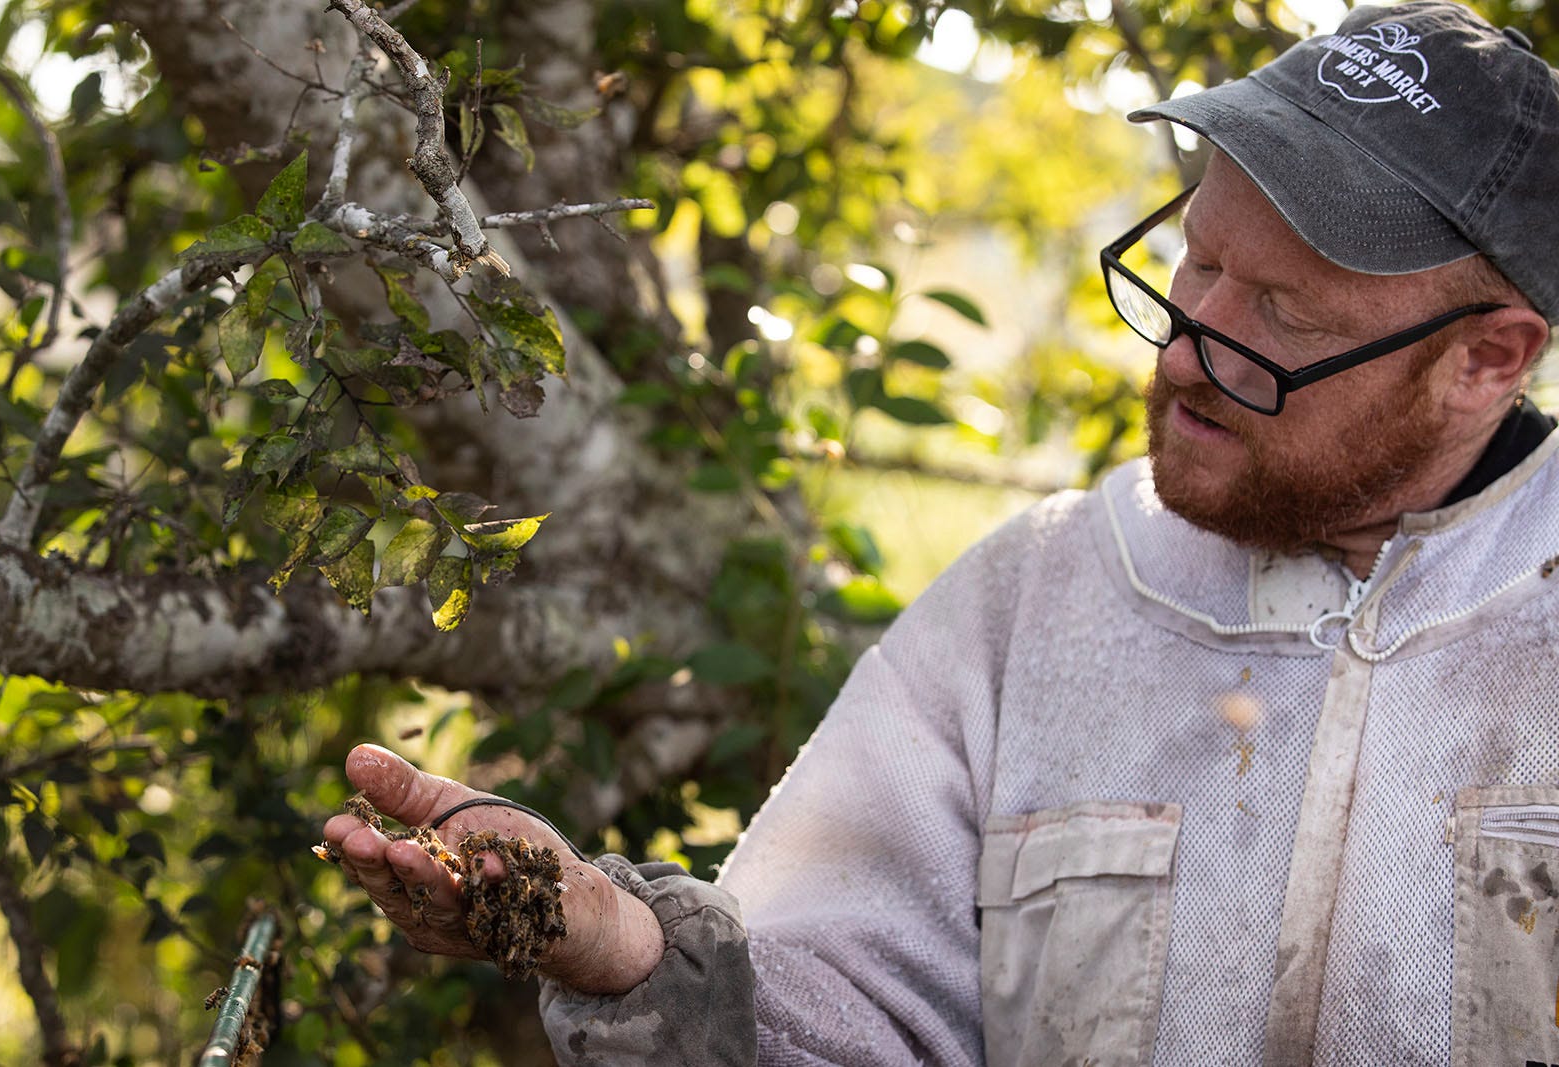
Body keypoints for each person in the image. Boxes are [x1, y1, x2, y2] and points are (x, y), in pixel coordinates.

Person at [321, 2, 1559, 1062]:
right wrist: (620, 944)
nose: (1185, 348)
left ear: (1484, 359)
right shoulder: (1037, 599)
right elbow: (831, 1015)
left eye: (1280, 315)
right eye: (1194, 264)